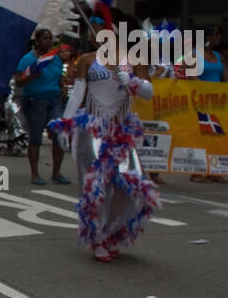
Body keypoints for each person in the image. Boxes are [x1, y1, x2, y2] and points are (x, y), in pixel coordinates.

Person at [50, 55, 159, 262]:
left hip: (121, 131)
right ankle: (97, 238)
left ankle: (112, 231)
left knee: (132, 182)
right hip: (92, 130)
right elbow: (78, 93)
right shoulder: (87, 60)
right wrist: (66, 124)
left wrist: (133, 82)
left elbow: (149, 93)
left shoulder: (134, 59)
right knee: (97, 186)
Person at [15, 28, 69, 185]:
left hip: (55, 101)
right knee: (36, 137)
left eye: (50, 38)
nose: (48, 41)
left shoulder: (56, 59)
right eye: (45, 38)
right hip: (34, 100)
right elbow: (19, 81)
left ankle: (57, 172)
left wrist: (62, 86)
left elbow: (59, 77)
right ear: (37, 41)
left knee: (59, 135)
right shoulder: (27, 59)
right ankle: (35, 174)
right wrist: (31, 77)